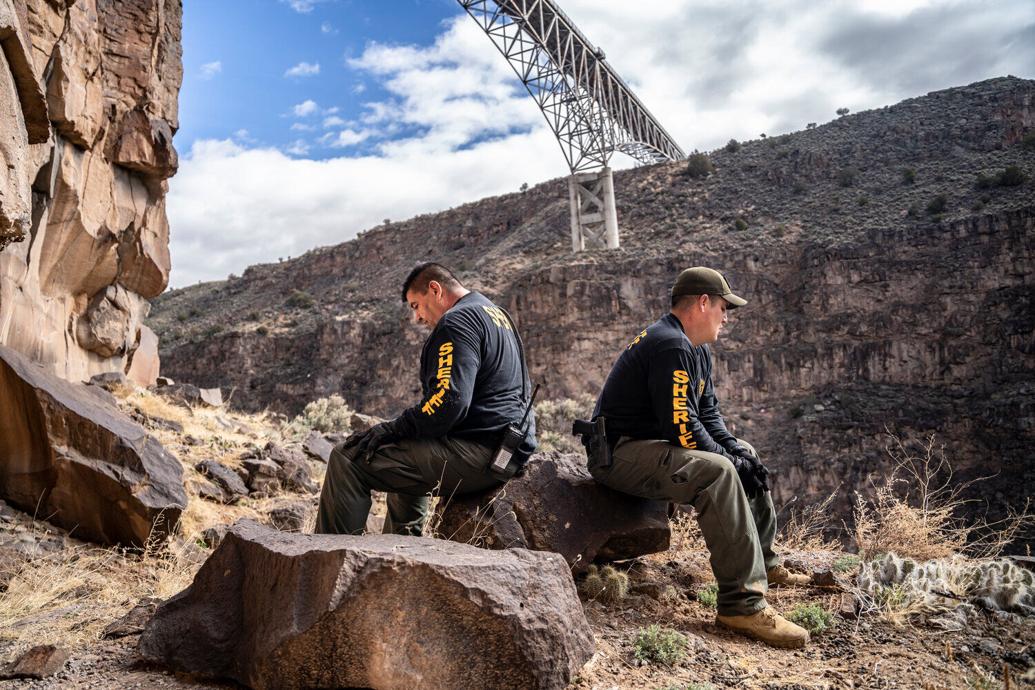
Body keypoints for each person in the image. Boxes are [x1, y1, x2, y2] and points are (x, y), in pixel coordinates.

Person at [584, 267, 811, 649]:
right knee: (719, 472)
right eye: (723, 307)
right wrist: (729, 460)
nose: (726, 317)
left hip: (647, 447)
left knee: (746, 454)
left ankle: (766, 565)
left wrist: (739, 453)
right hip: (617, 455)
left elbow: (708, 417)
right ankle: (742, 606)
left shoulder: (696, 350)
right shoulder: (670, 344)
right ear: (703, 303)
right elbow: (683, 429)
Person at [315, 262, 536, 536]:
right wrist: (402, 430)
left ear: (435, 289)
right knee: (409, 446)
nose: (417, 318)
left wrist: (392, 428)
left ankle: (330, 562)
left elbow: (449, 402)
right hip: (509, 449)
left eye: (415, 305)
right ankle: (401, 557)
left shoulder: (456, 322)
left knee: (347, 458)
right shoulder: (495, 313)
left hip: (481, 453)